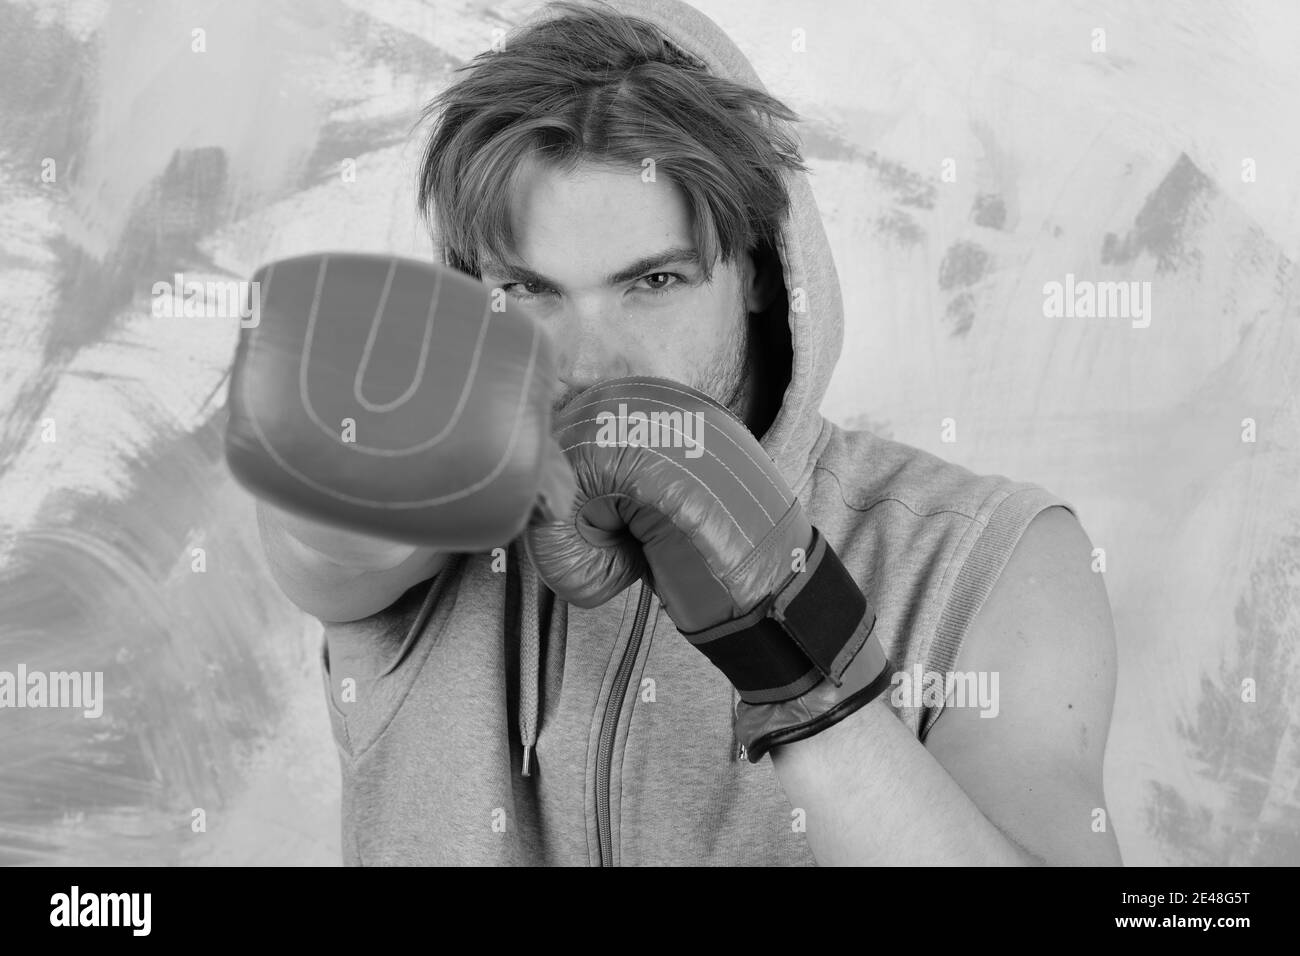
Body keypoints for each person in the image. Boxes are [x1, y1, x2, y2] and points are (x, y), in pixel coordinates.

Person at [255, 0, 1122, 865]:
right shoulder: (438, 521)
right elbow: (317, 536)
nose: (589, 362)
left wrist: (793, 649)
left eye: (654, 281)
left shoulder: (988, 560)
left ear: (757, 269)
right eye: (528, 291)